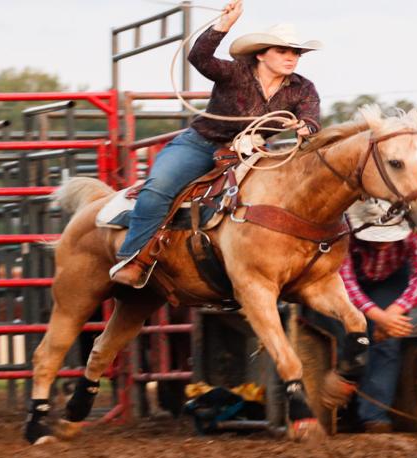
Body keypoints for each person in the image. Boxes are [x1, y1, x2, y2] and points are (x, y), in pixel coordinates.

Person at [111, 1, 324, 288]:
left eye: (296, 52)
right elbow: (199, 58)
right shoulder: (235, 72)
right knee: (158, 188)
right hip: (201, 144)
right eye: (283, 51)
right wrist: (224, 25)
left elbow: (312, 117)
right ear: (261, 54)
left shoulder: (304, 87)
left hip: (253, 151)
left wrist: (304, 126)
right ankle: (133, 258)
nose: (291, 58)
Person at [331, 198, 417, 433]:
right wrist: (378, 316)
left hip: (390, 279)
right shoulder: (343, 229)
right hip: (346, 281)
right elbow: (344, 280)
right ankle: (340, 412)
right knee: (347, 337)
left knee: (388, 341)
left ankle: (374, 416)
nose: (382, 243)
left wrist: (394, 311)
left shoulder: (416, 229)